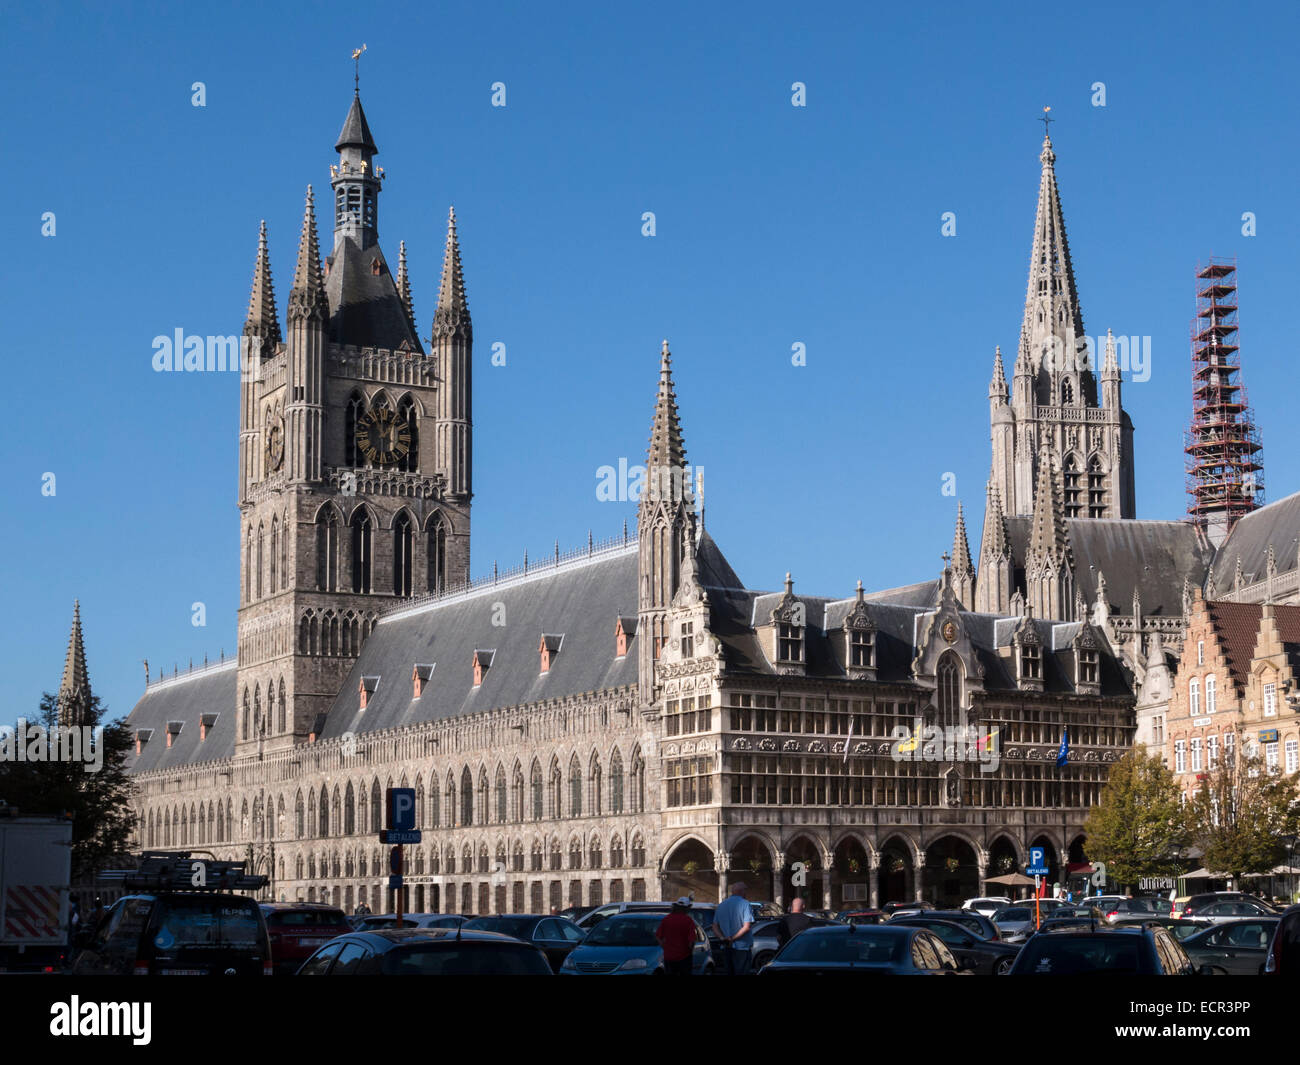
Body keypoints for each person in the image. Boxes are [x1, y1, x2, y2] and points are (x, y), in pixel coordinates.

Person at [711, 882, 754, 975]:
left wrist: (723, 938)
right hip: (742, 947)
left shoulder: (721, 905)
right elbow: (746, 927)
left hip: (726, 946)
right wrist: (732, 938)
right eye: (745, 890)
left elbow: (714, 926)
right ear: (742, 891)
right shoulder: (745, 904)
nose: (746, 893)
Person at [655, 897, 698, 975]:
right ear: (687, 908)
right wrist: (690, 950)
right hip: (684, 957)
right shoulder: (688, 920)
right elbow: (691, 941)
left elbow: (658, 936)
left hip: (669, 957)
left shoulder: (666, 919)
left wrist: (665, 947)